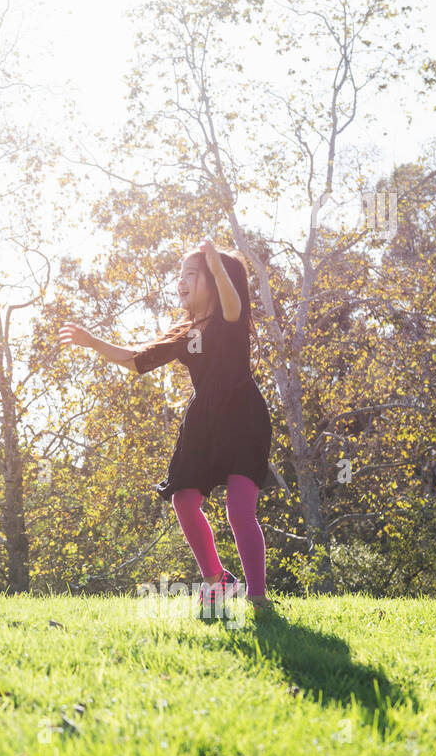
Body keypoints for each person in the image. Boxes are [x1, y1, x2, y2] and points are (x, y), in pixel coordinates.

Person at [59, 238, 278, 614]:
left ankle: (258, 597)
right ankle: (218, 582)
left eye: (191, 274)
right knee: (184, 499)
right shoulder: (185, 333)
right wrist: (91, 341)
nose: (181, 281)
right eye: (180, 275)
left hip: (243, 418)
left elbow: (232, 303)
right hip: (203, 422)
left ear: (212, 281)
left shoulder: (230, 319)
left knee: (240, 510)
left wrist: (215, 261)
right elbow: (135, 359)